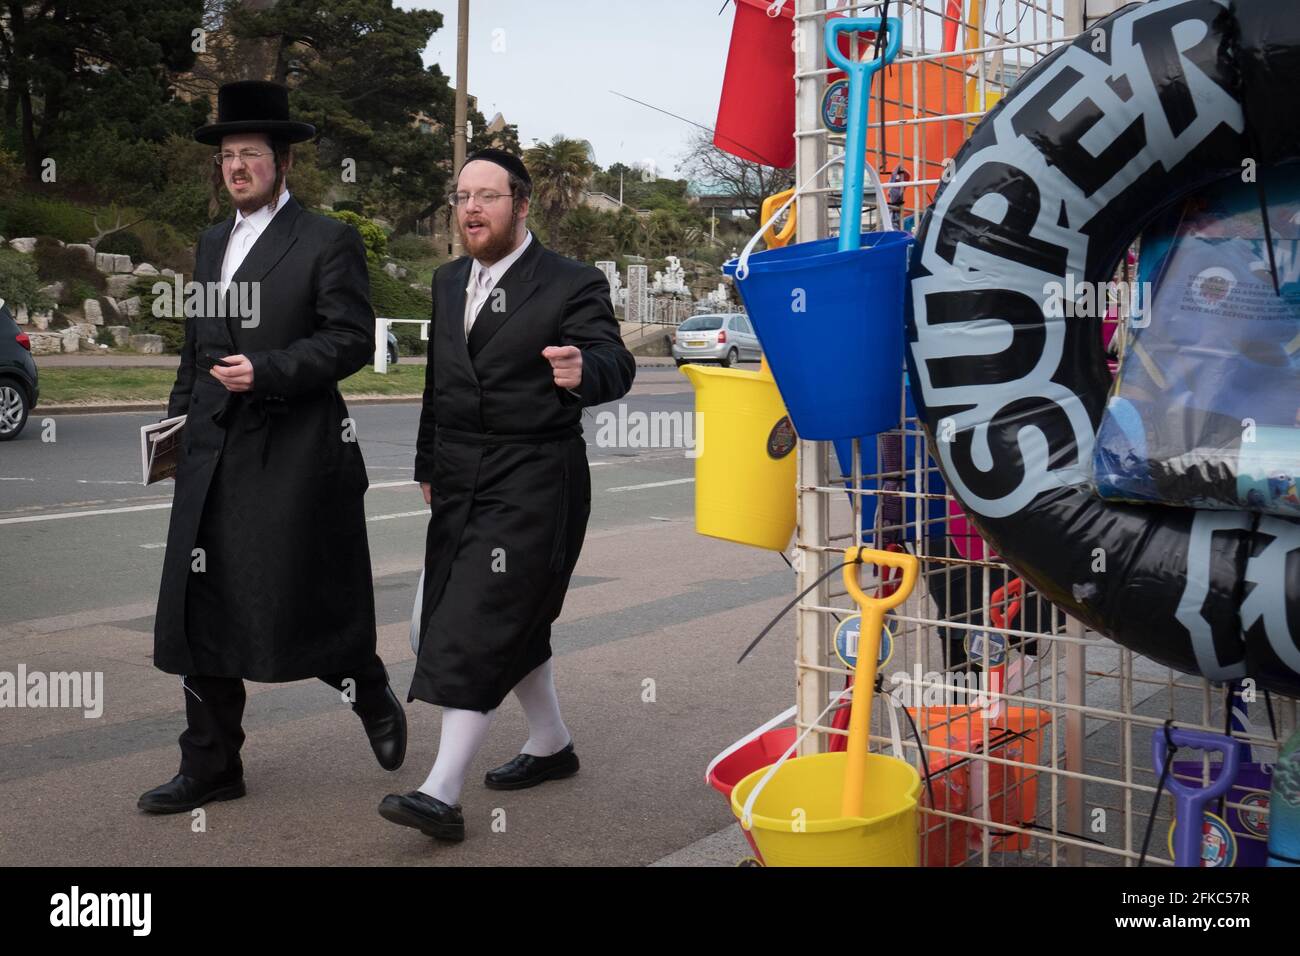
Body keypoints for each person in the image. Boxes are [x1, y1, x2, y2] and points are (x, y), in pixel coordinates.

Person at [139, 80, 407, 814]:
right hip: (212, 452)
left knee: (293, 601)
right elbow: (197, 349)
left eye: (249, 154)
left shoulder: (327, 239)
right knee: (199, 612)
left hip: (294, 453)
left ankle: (367, 684)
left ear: (282, 162)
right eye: (227, 156)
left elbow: (351, 338)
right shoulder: (209, 242)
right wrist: (175, 434)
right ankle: (213, 765)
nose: (236, 167)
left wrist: (270, 371)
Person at [378, 149, 635, 842]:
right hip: (460, 479)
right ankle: (551, 743)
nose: (471, 208)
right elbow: (440, 383)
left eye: (487, 196)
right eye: (462, 195)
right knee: (510, 621)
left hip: (534, 481)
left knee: (476, 619)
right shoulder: (445, 280)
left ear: (522, 205)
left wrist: (584, 371)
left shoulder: (570, 282)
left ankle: (440, 791)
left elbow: (615, 361)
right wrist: (429, 461)